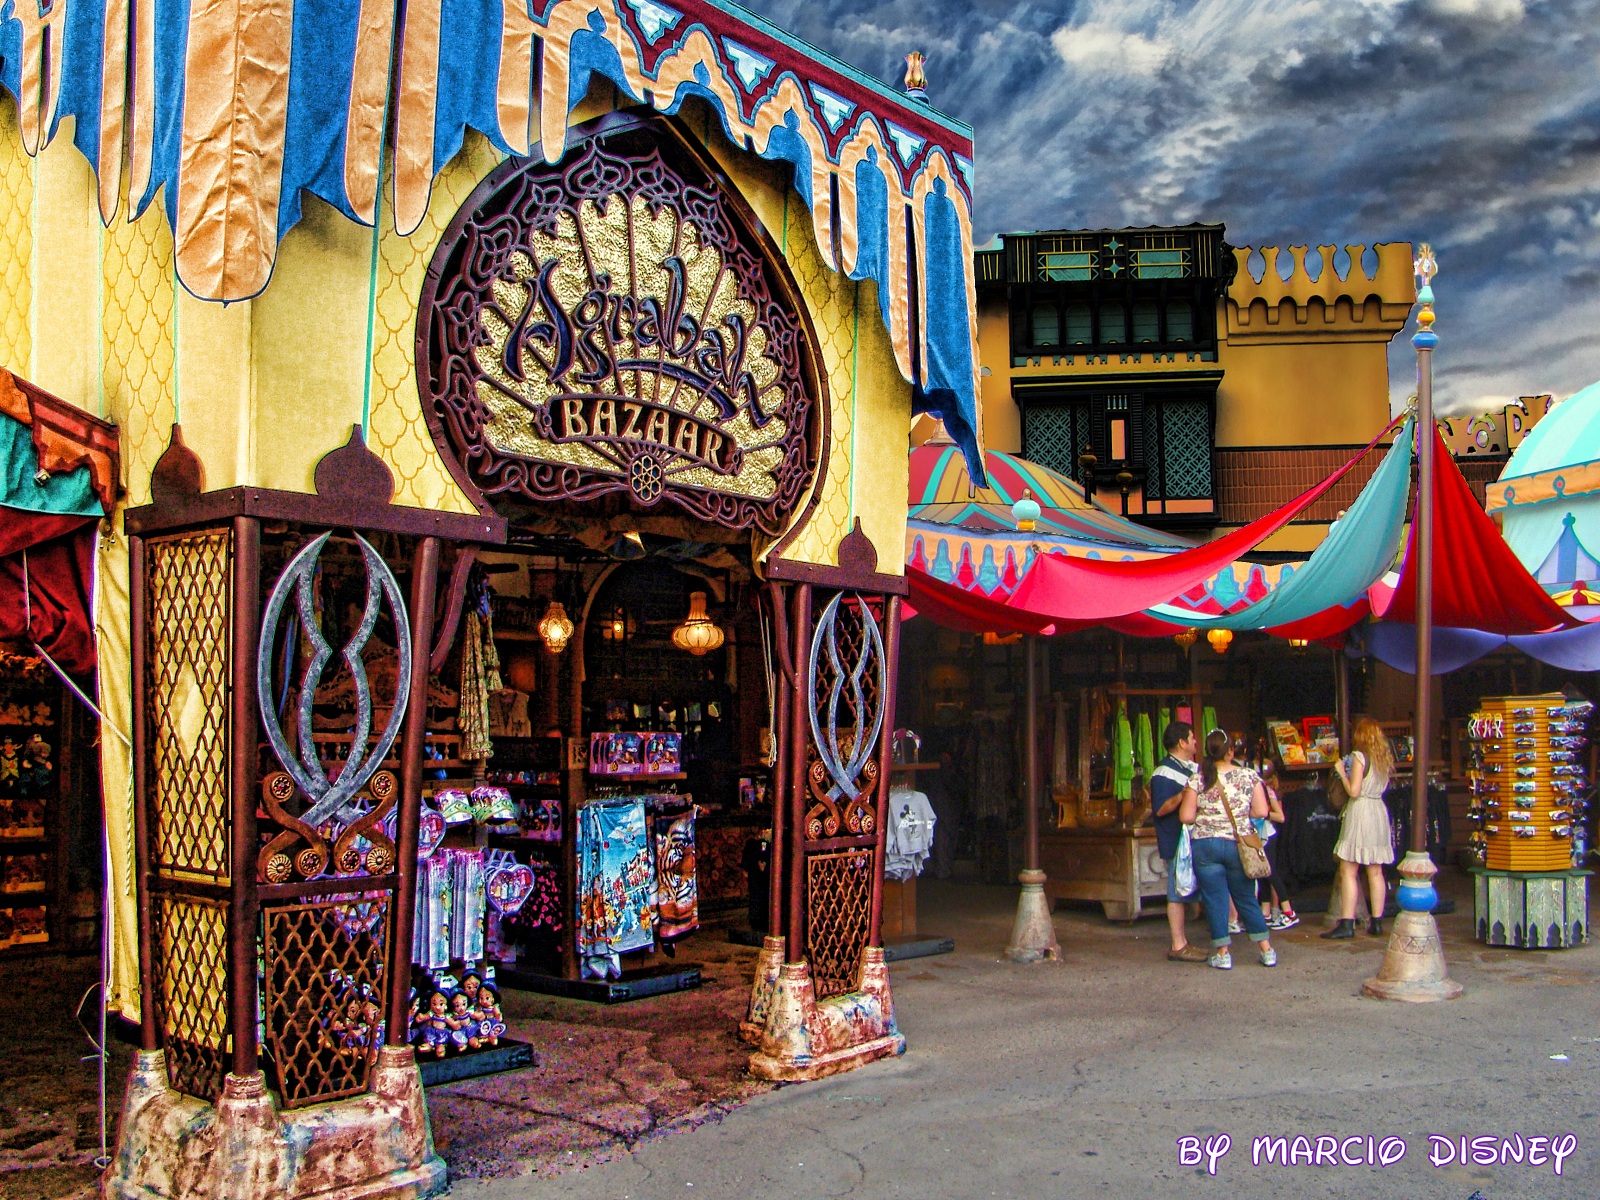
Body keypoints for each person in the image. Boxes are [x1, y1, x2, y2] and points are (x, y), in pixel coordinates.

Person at [1179, 730, 1276, 969]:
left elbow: (1186, 816)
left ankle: (1223, 954)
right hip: (1238, 844)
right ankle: (1267, 950)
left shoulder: (1197, 779)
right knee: (1245, 897)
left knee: (1215, 899)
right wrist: (1244, 816)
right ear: (1231, 751)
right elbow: (1262, 812)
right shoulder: (1249, 776)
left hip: (1206, 845)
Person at [1321, 717, 1396, 939]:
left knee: (1348, 870)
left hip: (1361, 811)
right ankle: (1377, 921)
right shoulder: (1384, 758)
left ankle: (1347, 922)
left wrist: (1341, 772)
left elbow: (1354, 791)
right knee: (1375, 871)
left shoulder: (1359, 757)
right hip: (1378, 811)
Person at [1149, 721, 1207, 963]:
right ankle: (1178, 944)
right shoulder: (1163, 773)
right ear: (1182, 742)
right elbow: (1160, 809)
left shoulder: (1192, 767)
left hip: (1194, 839)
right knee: (1176, 890)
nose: (1196, 741)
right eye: (1192, 737)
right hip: (1176, 841)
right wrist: (1184, 794)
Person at [1257, 761, 1299, 929]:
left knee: (1271, 872)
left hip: (1267, 835)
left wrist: (1263, 813)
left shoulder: (1267, 792)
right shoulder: (1261, 790)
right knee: (1263, 874)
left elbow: (1280, 817)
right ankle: (1265, 912)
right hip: (1258, 836)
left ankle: (1289, 912)